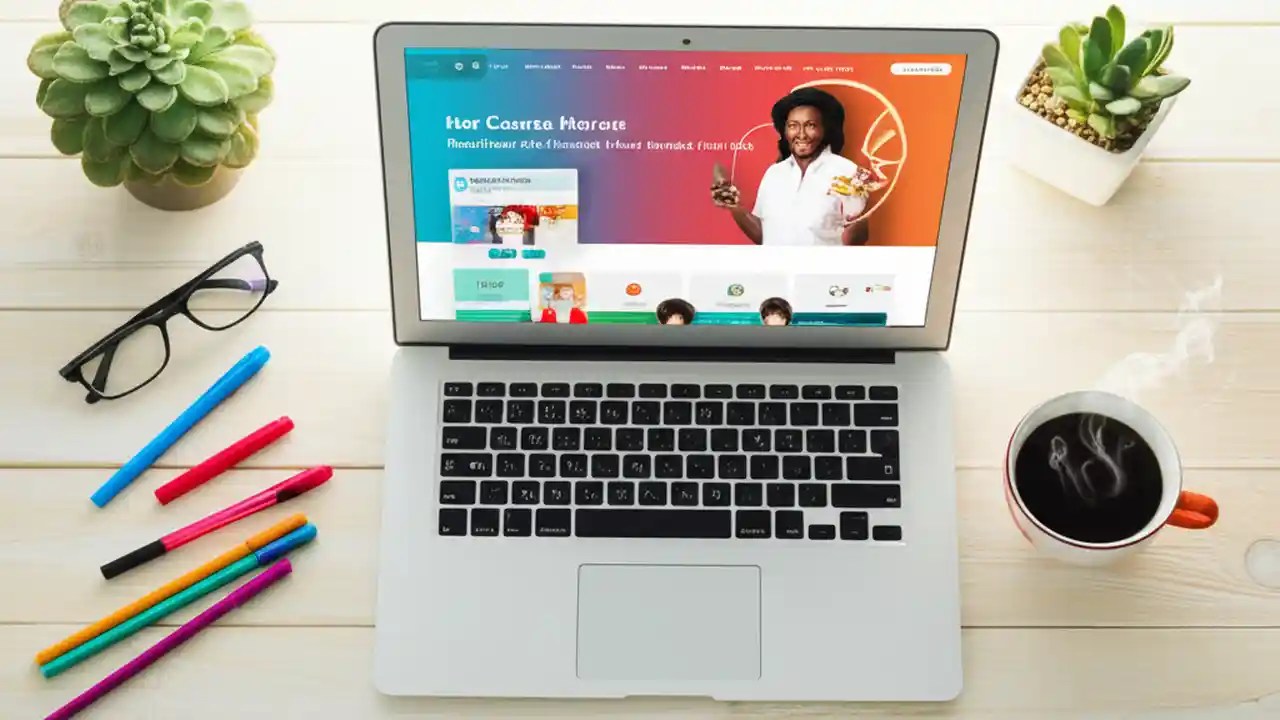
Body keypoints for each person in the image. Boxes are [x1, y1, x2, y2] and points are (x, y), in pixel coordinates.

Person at [712, 87, 871, 247]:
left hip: (821, 271)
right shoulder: (774, 174)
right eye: (793, 126)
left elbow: (859, 239)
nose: (801, 134)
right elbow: (764, 236)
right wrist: (734, 207)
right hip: (775, 271)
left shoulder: (847, 171)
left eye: (811, 125)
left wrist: (856, 213)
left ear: (824, 129)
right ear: (785, 130)